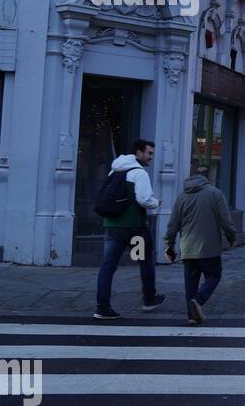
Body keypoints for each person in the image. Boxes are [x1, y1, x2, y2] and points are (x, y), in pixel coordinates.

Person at [95, 139, 165, 319]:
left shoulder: (115, 169)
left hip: (112, 226)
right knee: (144, 261)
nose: (150, 157)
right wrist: (156, 202)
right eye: (149, 153)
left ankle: (102, 307)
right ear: (139, 153)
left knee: (108, 267)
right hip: (134, 229)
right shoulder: (139, 173)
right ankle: (149, 300)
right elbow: (143, 199)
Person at [164, 167, 237, 324]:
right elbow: (226, 221)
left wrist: (169, 245)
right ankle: (199, 300)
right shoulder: (215, 194)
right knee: (214, 276)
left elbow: (172, 226)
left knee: (190, 282)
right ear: (207, 178)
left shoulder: (181, 197)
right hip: (209, 248)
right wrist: (231, 237)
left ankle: (192, 316)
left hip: (188, 247)